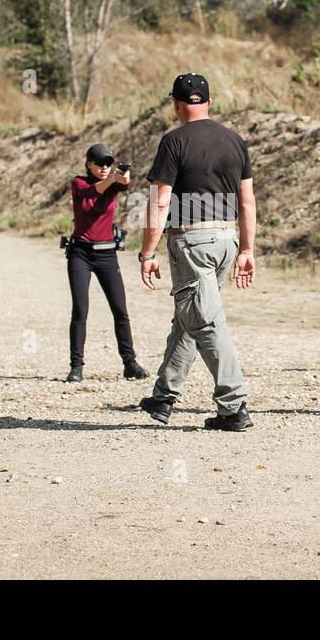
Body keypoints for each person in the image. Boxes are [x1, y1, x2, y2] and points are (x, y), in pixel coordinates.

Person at [137, 73, 256, 431]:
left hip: (192, 240)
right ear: (209, 102)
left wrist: (147, 252)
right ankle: (163, 396)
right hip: (226, 239)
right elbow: (247, 202)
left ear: (175, 103)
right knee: (191, 314)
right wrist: (247, 249)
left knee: (204, 320)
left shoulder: (173, 141)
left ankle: (233, 406)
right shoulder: (235, 141)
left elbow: (160, 202)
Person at [65, 143, 150, 383]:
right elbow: (92, 193)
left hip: (107, 255)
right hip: (80, 254)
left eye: (108, 163)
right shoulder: (78, 183)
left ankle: (130, 363)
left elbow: (124, 185)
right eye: (99, 163)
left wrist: (122, 177)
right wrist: (112, 178)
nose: (104, 167)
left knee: (120, 311)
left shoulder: (113, 184)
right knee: (80, 310)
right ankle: (76, 366)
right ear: (88, 164)